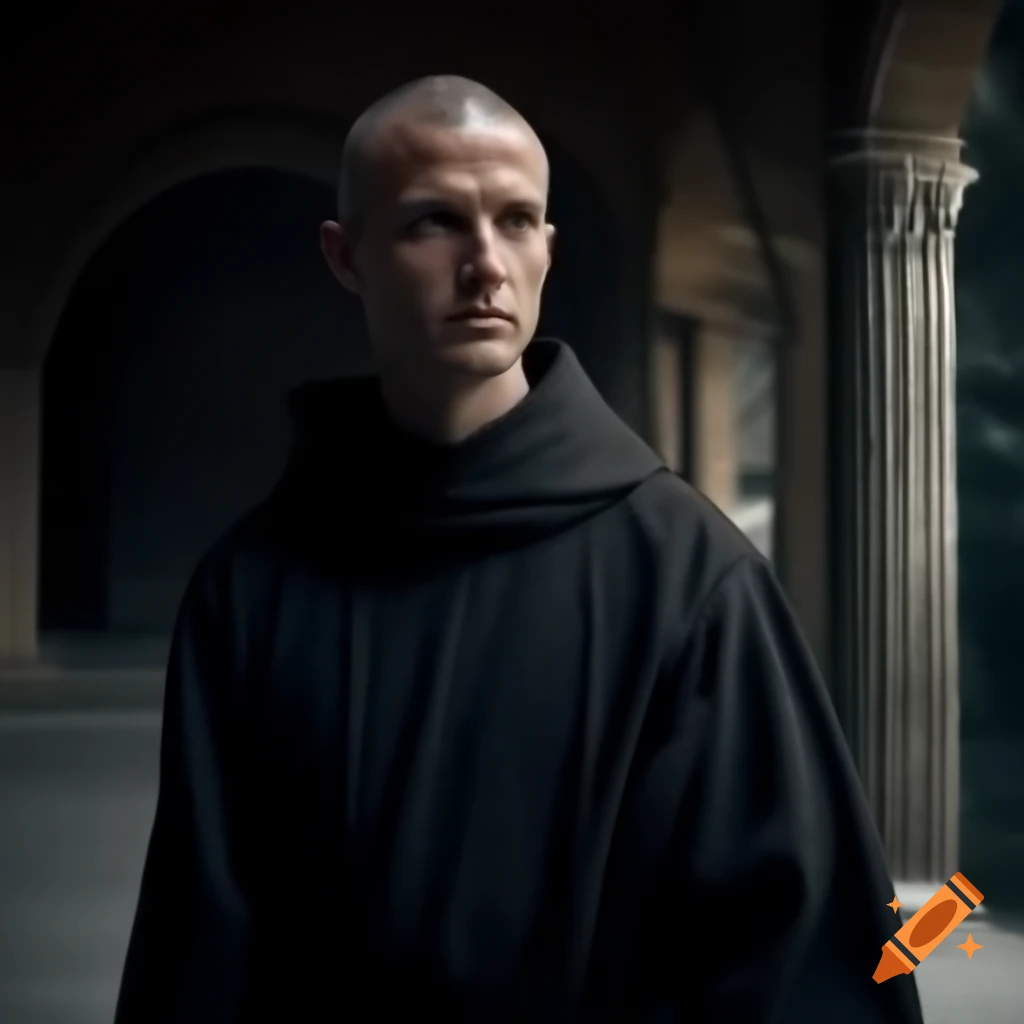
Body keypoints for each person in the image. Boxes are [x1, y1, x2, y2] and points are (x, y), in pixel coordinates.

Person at [114, 75, 924, 1023]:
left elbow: (801, 959)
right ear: (348, 256)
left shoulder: (690, 579)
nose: (486, 264)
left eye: (517, 220)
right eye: (434, 224)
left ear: (548, 248)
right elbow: (199, 951)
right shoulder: (250, 589)